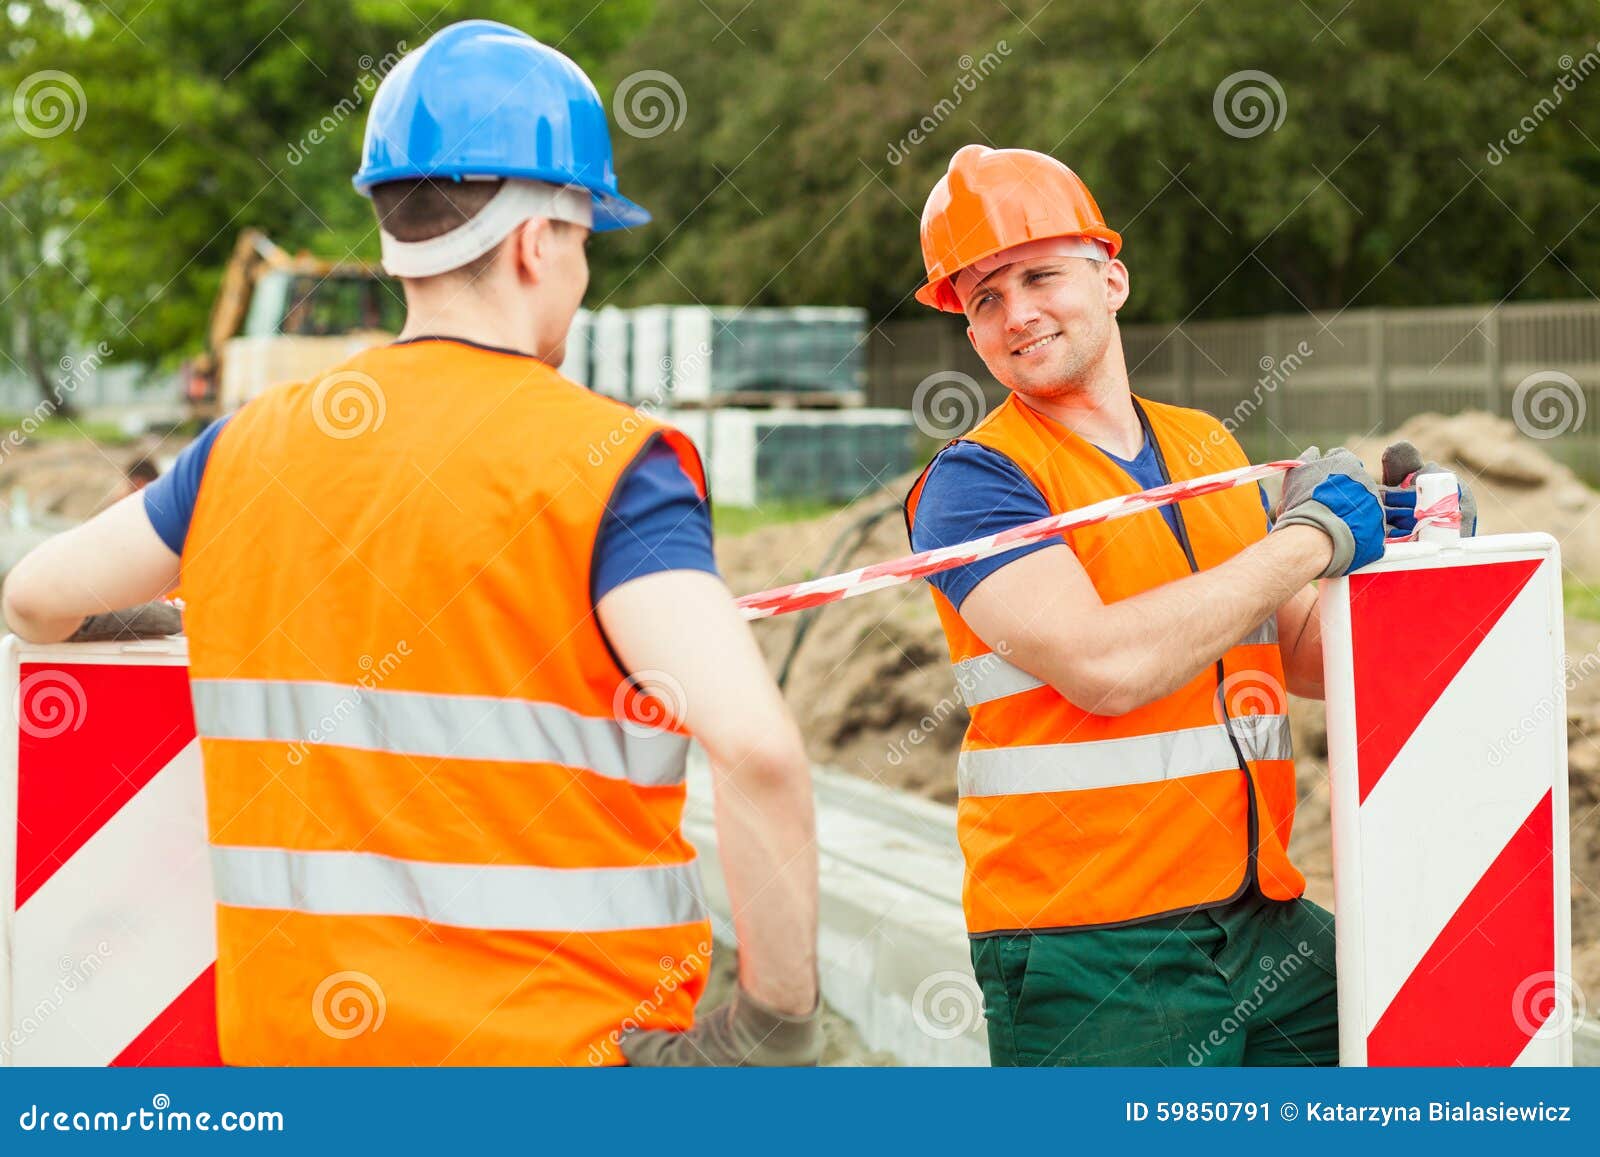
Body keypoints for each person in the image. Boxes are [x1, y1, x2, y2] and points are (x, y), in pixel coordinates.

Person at [2, 20, 820, 1067]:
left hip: (293, 1065)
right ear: (538, 241)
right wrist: (773, 1025)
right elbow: (755, 749)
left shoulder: (244, 448)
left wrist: (177, 611)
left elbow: (34, 597)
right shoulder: (613, 465)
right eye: (584, 239)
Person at [903, 144, 1473, 1067]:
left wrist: (1418, 559)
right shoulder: (975, 484)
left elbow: (1304, 654)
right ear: (969, 333)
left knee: (1423, 1063)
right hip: (1093, 952)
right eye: (985, 299)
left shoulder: (1207, 444)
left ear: (1112, 278)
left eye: (1040, 275)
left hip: (1262, 920)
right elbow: (1108, 668)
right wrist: (1312, 538)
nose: (1019, 314)